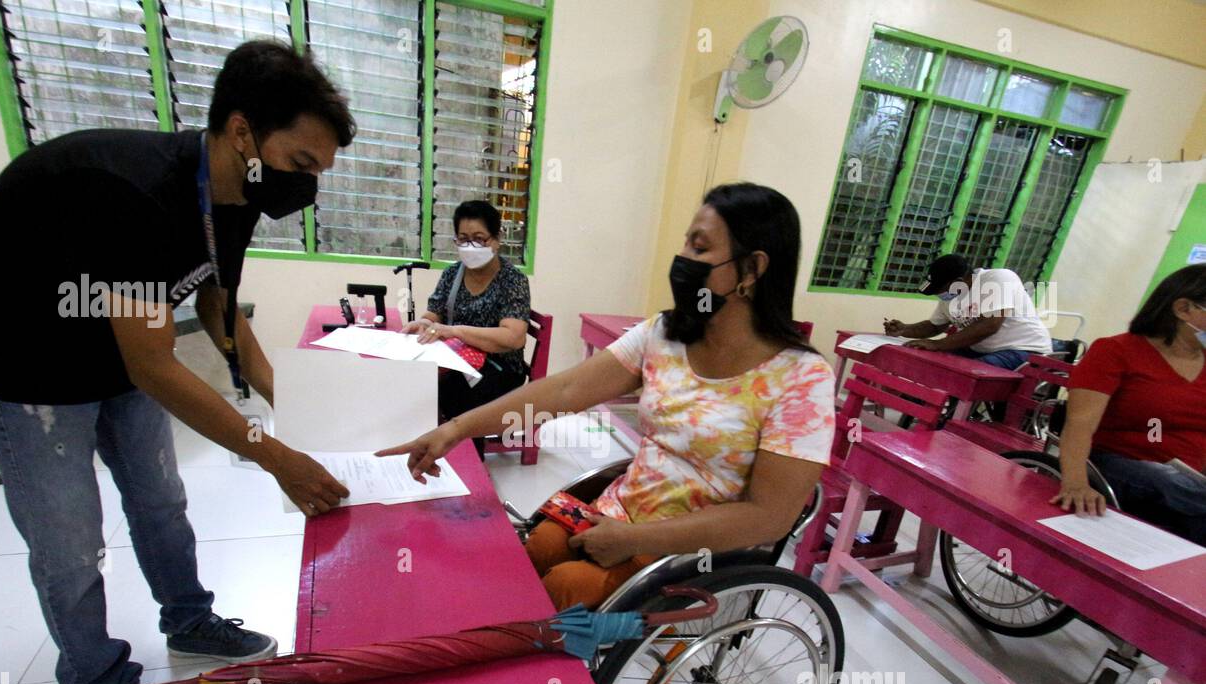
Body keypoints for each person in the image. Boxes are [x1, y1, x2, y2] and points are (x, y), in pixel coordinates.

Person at [0, 41, 355, 684]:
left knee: (159, 496)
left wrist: (297, 404)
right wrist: (275, 456)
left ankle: (189, 620)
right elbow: (156, 367)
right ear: (243, 132)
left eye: (319, 170)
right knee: (70, 539)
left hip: (115, 346)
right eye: (302, 163)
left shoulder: (236, 192)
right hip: (22, 356)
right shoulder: (129, 191)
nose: (306, 184)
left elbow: (221, 311)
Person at [378, 183, 835, 610]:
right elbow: (566, 390)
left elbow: (769, 517)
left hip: (690, 550)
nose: (681, 258)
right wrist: (456, 429)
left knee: (566, 588)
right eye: (685, 243)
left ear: (752, 269)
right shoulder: (665, 334)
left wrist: (634, 540)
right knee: (539, 546)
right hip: (623, 510)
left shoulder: (800, 380)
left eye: (699, 248)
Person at [1051, 264, 1206, 545]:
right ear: (1183, 309)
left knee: (1183, 487)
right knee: (1169, 481)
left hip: (1190, 480)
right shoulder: (1116, 351)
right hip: (1117, 464)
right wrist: (1075, 483)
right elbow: (1079, 425)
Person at [400, 200, 530, 456]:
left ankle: (468, 462)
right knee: (416, 380)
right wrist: (423, 323)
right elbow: (434, 313)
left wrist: (456, 330)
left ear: (496, 239)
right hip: (458, 358)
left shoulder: (512, 280)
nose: (470, 246)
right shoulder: (453, 274)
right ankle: (423, 449)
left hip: (499, 366)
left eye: (479, 239)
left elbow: (513, 337)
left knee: (453, 392)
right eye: (463, 239)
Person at [882, 253, 1053, 369]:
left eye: (941, 289)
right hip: (980, 349)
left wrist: (938, 344)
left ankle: (952, 410)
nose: (940, 295)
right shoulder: (952, 296)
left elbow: (990, 325)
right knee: (932, 363)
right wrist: (905, 329)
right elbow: (935, 326)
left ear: (959, 281)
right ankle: (924, 406)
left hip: (1023, 349)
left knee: (970, 371)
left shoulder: (998, 278)